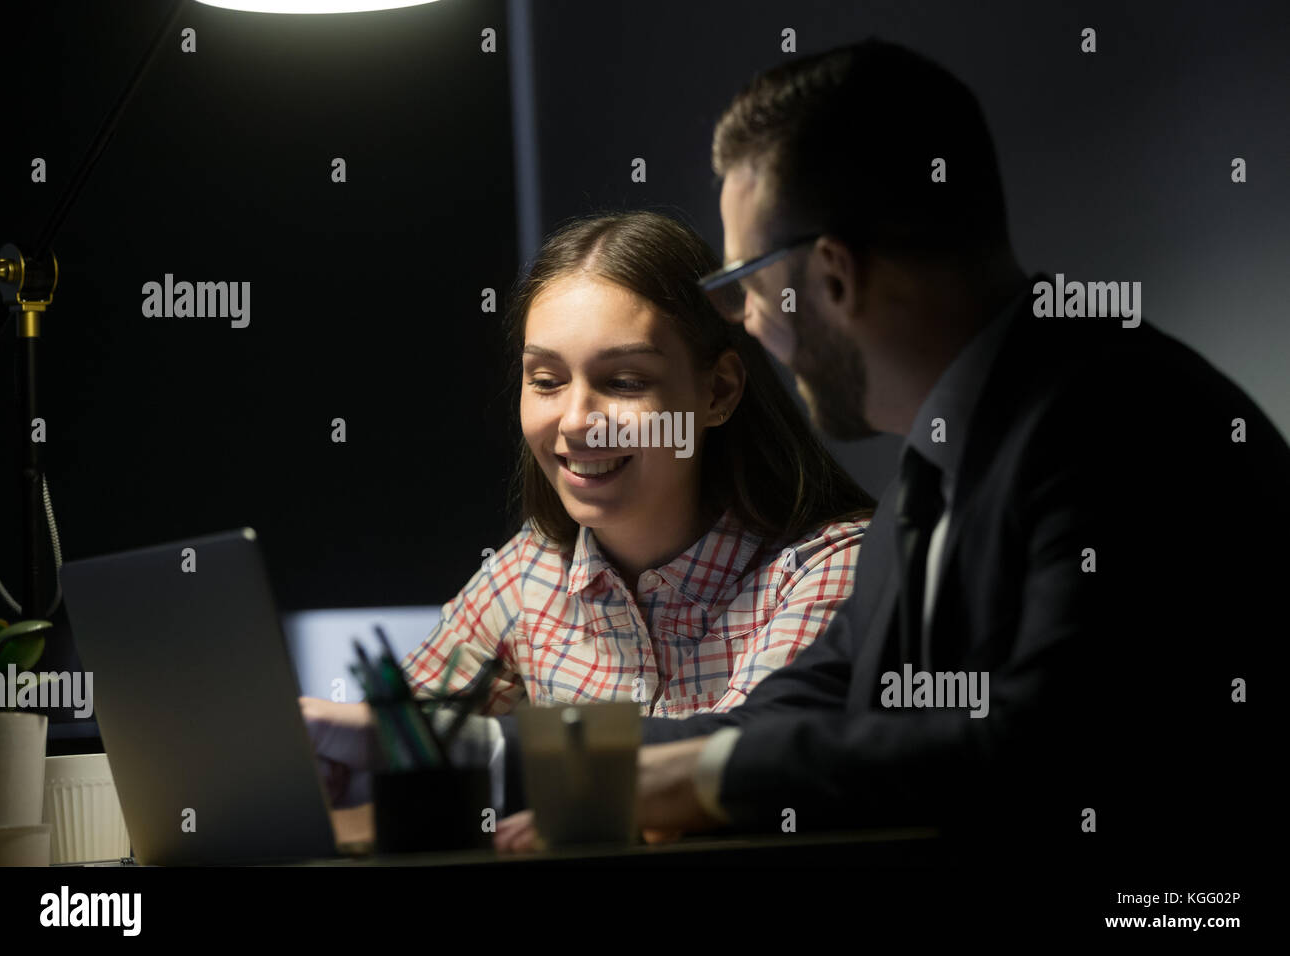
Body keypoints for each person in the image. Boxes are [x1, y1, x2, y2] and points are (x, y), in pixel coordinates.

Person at [494, 38, 1288, 871]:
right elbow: (803, 715)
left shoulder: (1115, 432)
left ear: (833, 276)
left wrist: (711, 776)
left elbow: (1052, 745)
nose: (745, 321)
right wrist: (465, 753)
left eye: (749, 283)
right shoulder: (947, 457)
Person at [302, 210, 876, 810]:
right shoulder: (528, 571)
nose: (577, 422)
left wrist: (472, 755)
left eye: (625, 381)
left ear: (719, 392)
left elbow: (742, 771)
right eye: (546, 380)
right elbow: (410, 751)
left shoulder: (827, 567)